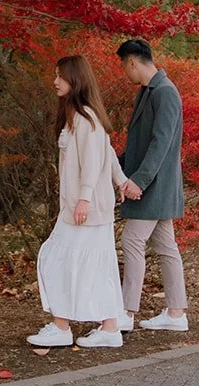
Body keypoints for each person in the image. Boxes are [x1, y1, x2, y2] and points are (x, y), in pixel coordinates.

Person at [27, 54, 131, 349]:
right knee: (64, 261)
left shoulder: (87, 118)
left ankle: (97, 327)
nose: (55, 81)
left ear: (76, 79)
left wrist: (84, 198)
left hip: (86, 209)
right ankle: (70, 326)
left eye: (60, 76)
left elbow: (95, 159)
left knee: (67, 261)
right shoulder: (77, 116)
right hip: (77, 207)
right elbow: (108, 153)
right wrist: (121, 180)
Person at [114, 38, 189, 333]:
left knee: (132, 241)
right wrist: (115, 166)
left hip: (153, 186)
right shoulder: (149, 91)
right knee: (166, 247)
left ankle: (126, 312)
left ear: (132, 61)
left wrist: (138, 181)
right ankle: (176, 312)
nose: (125, 73)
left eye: (124, 66)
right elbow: (140, 144)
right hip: (152, 185)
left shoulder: (165, 93)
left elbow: (161, 144)